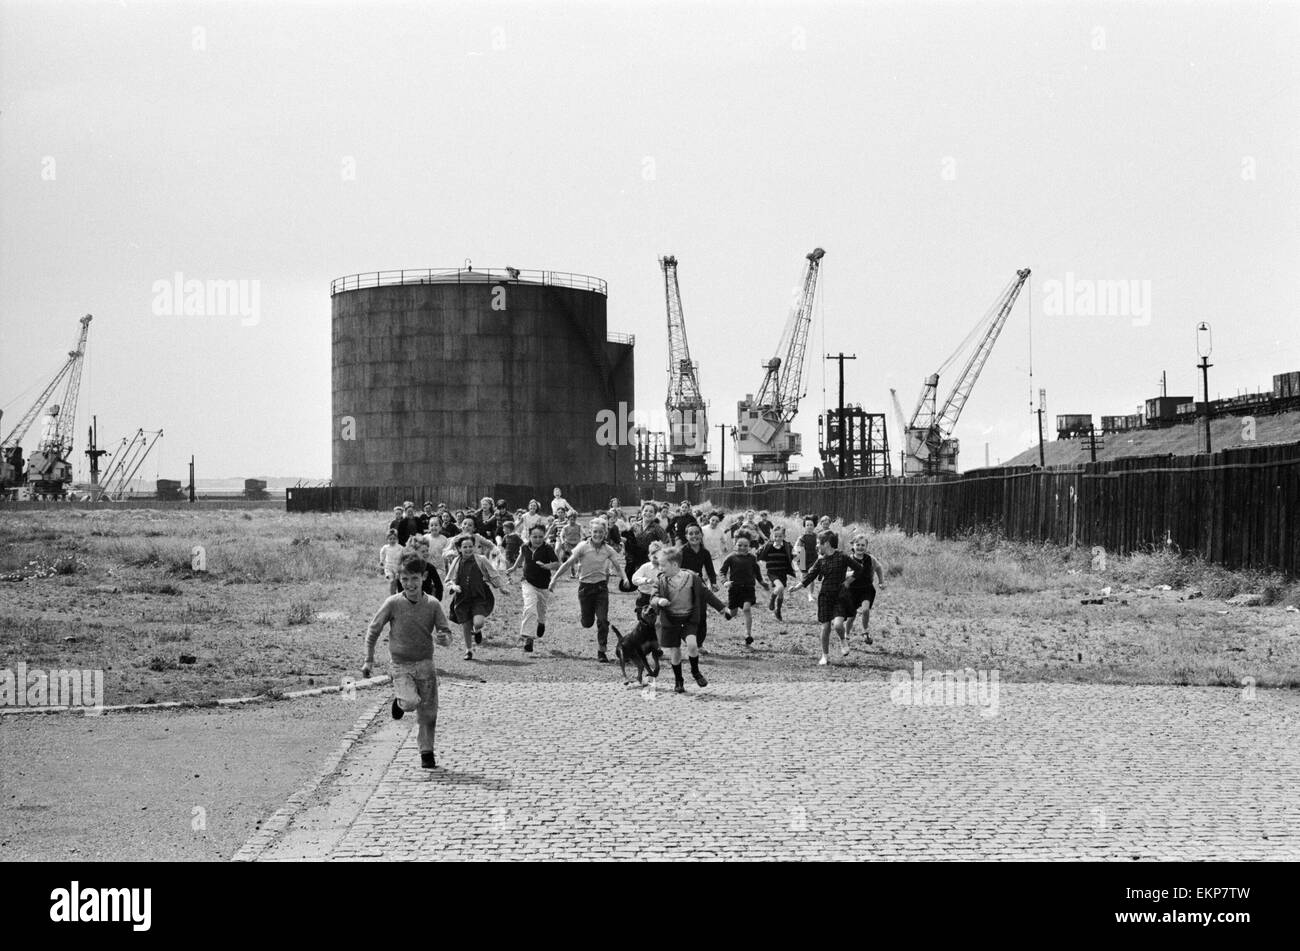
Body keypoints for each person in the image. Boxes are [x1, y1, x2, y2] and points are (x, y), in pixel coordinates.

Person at [362, 552, 454, 769]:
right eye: (405, 579)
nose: (410, 584)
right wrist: (369, 659)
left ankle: (427, 753)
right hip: (401, 665)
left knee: (429, 713)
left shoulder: (432, 605)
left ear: (423, 577)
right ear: (399, 580)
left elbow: (446, 633)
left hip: (425, 664)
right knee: (411, 702)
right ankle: (401, 702)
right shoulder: (393, 603)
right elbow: (374, 629)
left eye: (414, 578)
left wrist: (444, 638)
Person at [648, 546, 730, 693]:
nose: (660, 568)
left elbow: (706, 594)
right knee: (675, 651)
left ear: (674, 565)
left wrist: (722, 609)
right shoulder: (660, 580)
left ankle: (695, 671)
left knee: (692, 645)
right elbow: (653, 597)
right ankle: (679, 680)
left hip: (688, 619)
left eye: (663, 565)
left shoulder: (692, 577)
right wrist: (659, 601)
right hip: (670, 621)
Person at [549, 519, 625, 662]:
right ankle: (586, 618)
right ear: (590, 532)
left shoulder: (608, 549)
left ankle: (601, 651)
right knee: (587, 623)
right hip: (585, 588)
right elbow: (567, 563)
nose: (597, 534)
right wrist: (554, 579)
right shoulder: (582, 547)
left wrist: (625, 578)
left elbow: (617, 565)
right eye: (595, 531)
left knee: (603, 620)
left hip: (601, 588)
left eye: (601, 532)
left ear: (605, 533)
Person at [788, 531, 854, 665]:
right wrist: (797, 587)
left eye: (819, 543)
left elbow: (859, 569)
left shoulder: (843, 557)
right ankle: (825, 656)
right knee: (825, 627)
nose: (817, 546)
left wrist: (848, 581)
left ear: (827, 543)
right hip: (825, 597)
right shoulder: (821, 560)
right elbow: (810, 576)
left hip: (840, 596)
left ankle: (842, 639)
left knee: (838, 625)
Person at [445, 536, 509, 660]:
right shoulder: (456, 561)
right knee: (465, 626)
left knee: (478, 623)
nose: (468, 549)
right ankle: (468, 650)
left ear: (474, 547)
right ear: (459, 548)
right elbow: (448, 579)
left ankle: (477, 630)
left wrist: (501, 587)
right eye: (465, 547)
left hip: (479, 596)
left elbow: (493, 573)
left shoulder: (481, 559)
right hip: (462, 598)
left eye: (470, 546)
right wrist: (454, 586)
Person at [508, 524, 560, 653]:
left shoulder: (547, 548)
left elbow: (557, 564)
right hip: (527, 582)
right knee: (530, 607)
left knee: (541, 610)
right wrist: (514, 568)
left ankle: (541, 622)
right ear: (529, 537)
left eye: (540, 537)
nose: (537, 539)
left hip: (543, 585)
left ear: (544, 537)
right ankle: (528, 638)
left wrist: (546, 566)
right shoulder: (525, 546)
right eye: (534, 537)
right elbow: (521, 556)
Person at [719, 535, 769, 646]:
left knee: (746, 609)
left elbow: (757, 572)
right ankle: (728, 613)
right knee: (733, 612)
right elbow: (722, 572)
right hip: (734, 589)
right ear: (735, 545)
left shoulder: (752, 558)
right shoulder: (731, 557)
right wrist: (725, 582)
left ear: (749, 547)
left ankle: (748, 634)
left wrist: (762, 582)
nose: (742, 547)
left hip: (748, 588)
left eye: (745, 546)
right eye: (739, 545)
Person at [842, 533, 885, 645]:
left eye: (863, 545)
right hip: (852, 590)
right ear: (853, 546)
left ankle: (865, 632)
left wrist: (881, 582)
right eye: (858, 544)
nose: (860, 547)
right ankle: (846, 635)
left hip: (866, 589)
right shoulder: (849, 559)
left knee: (865, 610)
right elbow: (842, 573)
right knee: (852, 616)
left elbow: (879, 568)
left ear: (866, 546)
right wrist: (850, 573)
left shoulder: (870, 559)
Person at [756, 524, 796, 622]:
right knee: (780, 587)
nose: (777, 538)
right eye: (775, 536)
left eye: (780, 536)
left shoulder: (787, 546)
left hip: (782, 572)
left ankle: (778, 610)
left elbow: (795, 555)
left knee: (781, 593)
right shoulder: (768, 545)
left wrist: (798, 559)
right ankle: (772, 599)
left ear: (784, 537)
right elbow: (759, 553)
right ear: (772, 536)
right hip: (772, 572)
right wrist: (759, 551)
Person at [409, 534, 444, 600]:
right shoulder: (409, 567)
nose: (426, 553)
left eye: (427, 551)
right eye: (423, 551)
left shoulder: (430, 567)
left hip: (427, 600)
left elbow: (439, 585)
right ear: (414, 553)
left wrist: (437, 600)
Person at [379, 529, 404, 594]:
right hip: (388, 567)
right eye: (390, 539)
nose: (392, 540)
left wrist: (402, 563)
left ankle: (397, 595)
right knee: (392, 581)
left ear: (397, 539)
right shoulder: (385, 547)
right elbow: (382, 553)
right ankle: (392, 596)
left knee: (397, 581)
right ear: (387, 539)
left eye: (394, 539)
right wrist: (381, 561)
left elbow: (403, 555)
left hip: (397, 568)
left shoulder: (400, 547)